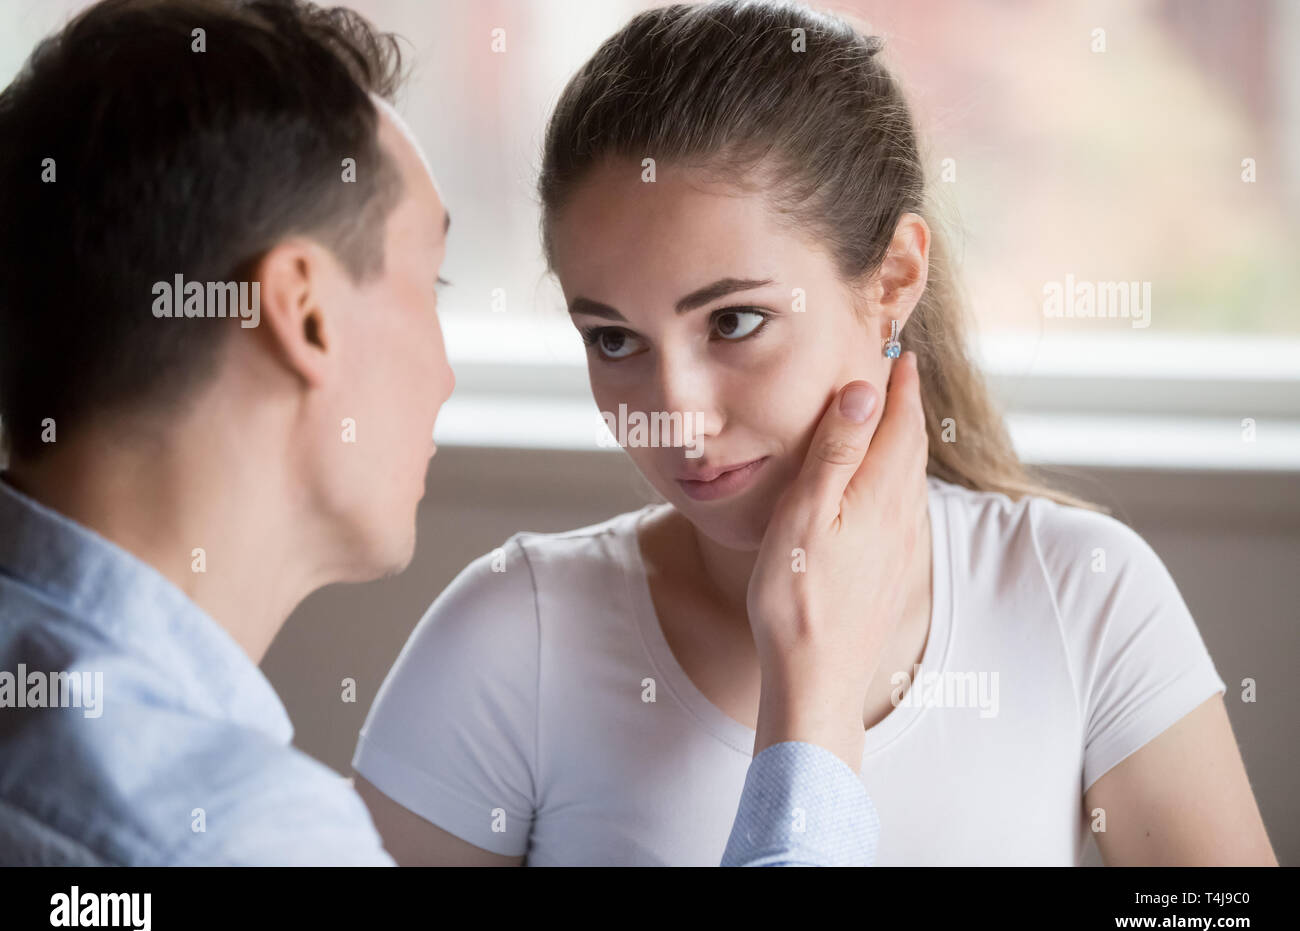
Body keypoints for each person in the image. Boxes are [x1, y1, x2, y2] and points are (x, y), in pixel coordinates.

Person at [352, 0, 1278, 865]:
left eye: (735, 322)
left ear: (893, 281)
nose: (675, 415)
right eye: (615, 339)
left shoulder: (1082, 594)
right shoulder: (513, 636)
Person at [0, 0, 902, 866]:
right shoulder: (231, 838)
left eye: (735, 322)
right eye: (426, 288)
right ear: (304, 314)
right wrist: (816, 711)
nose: (445, 376)